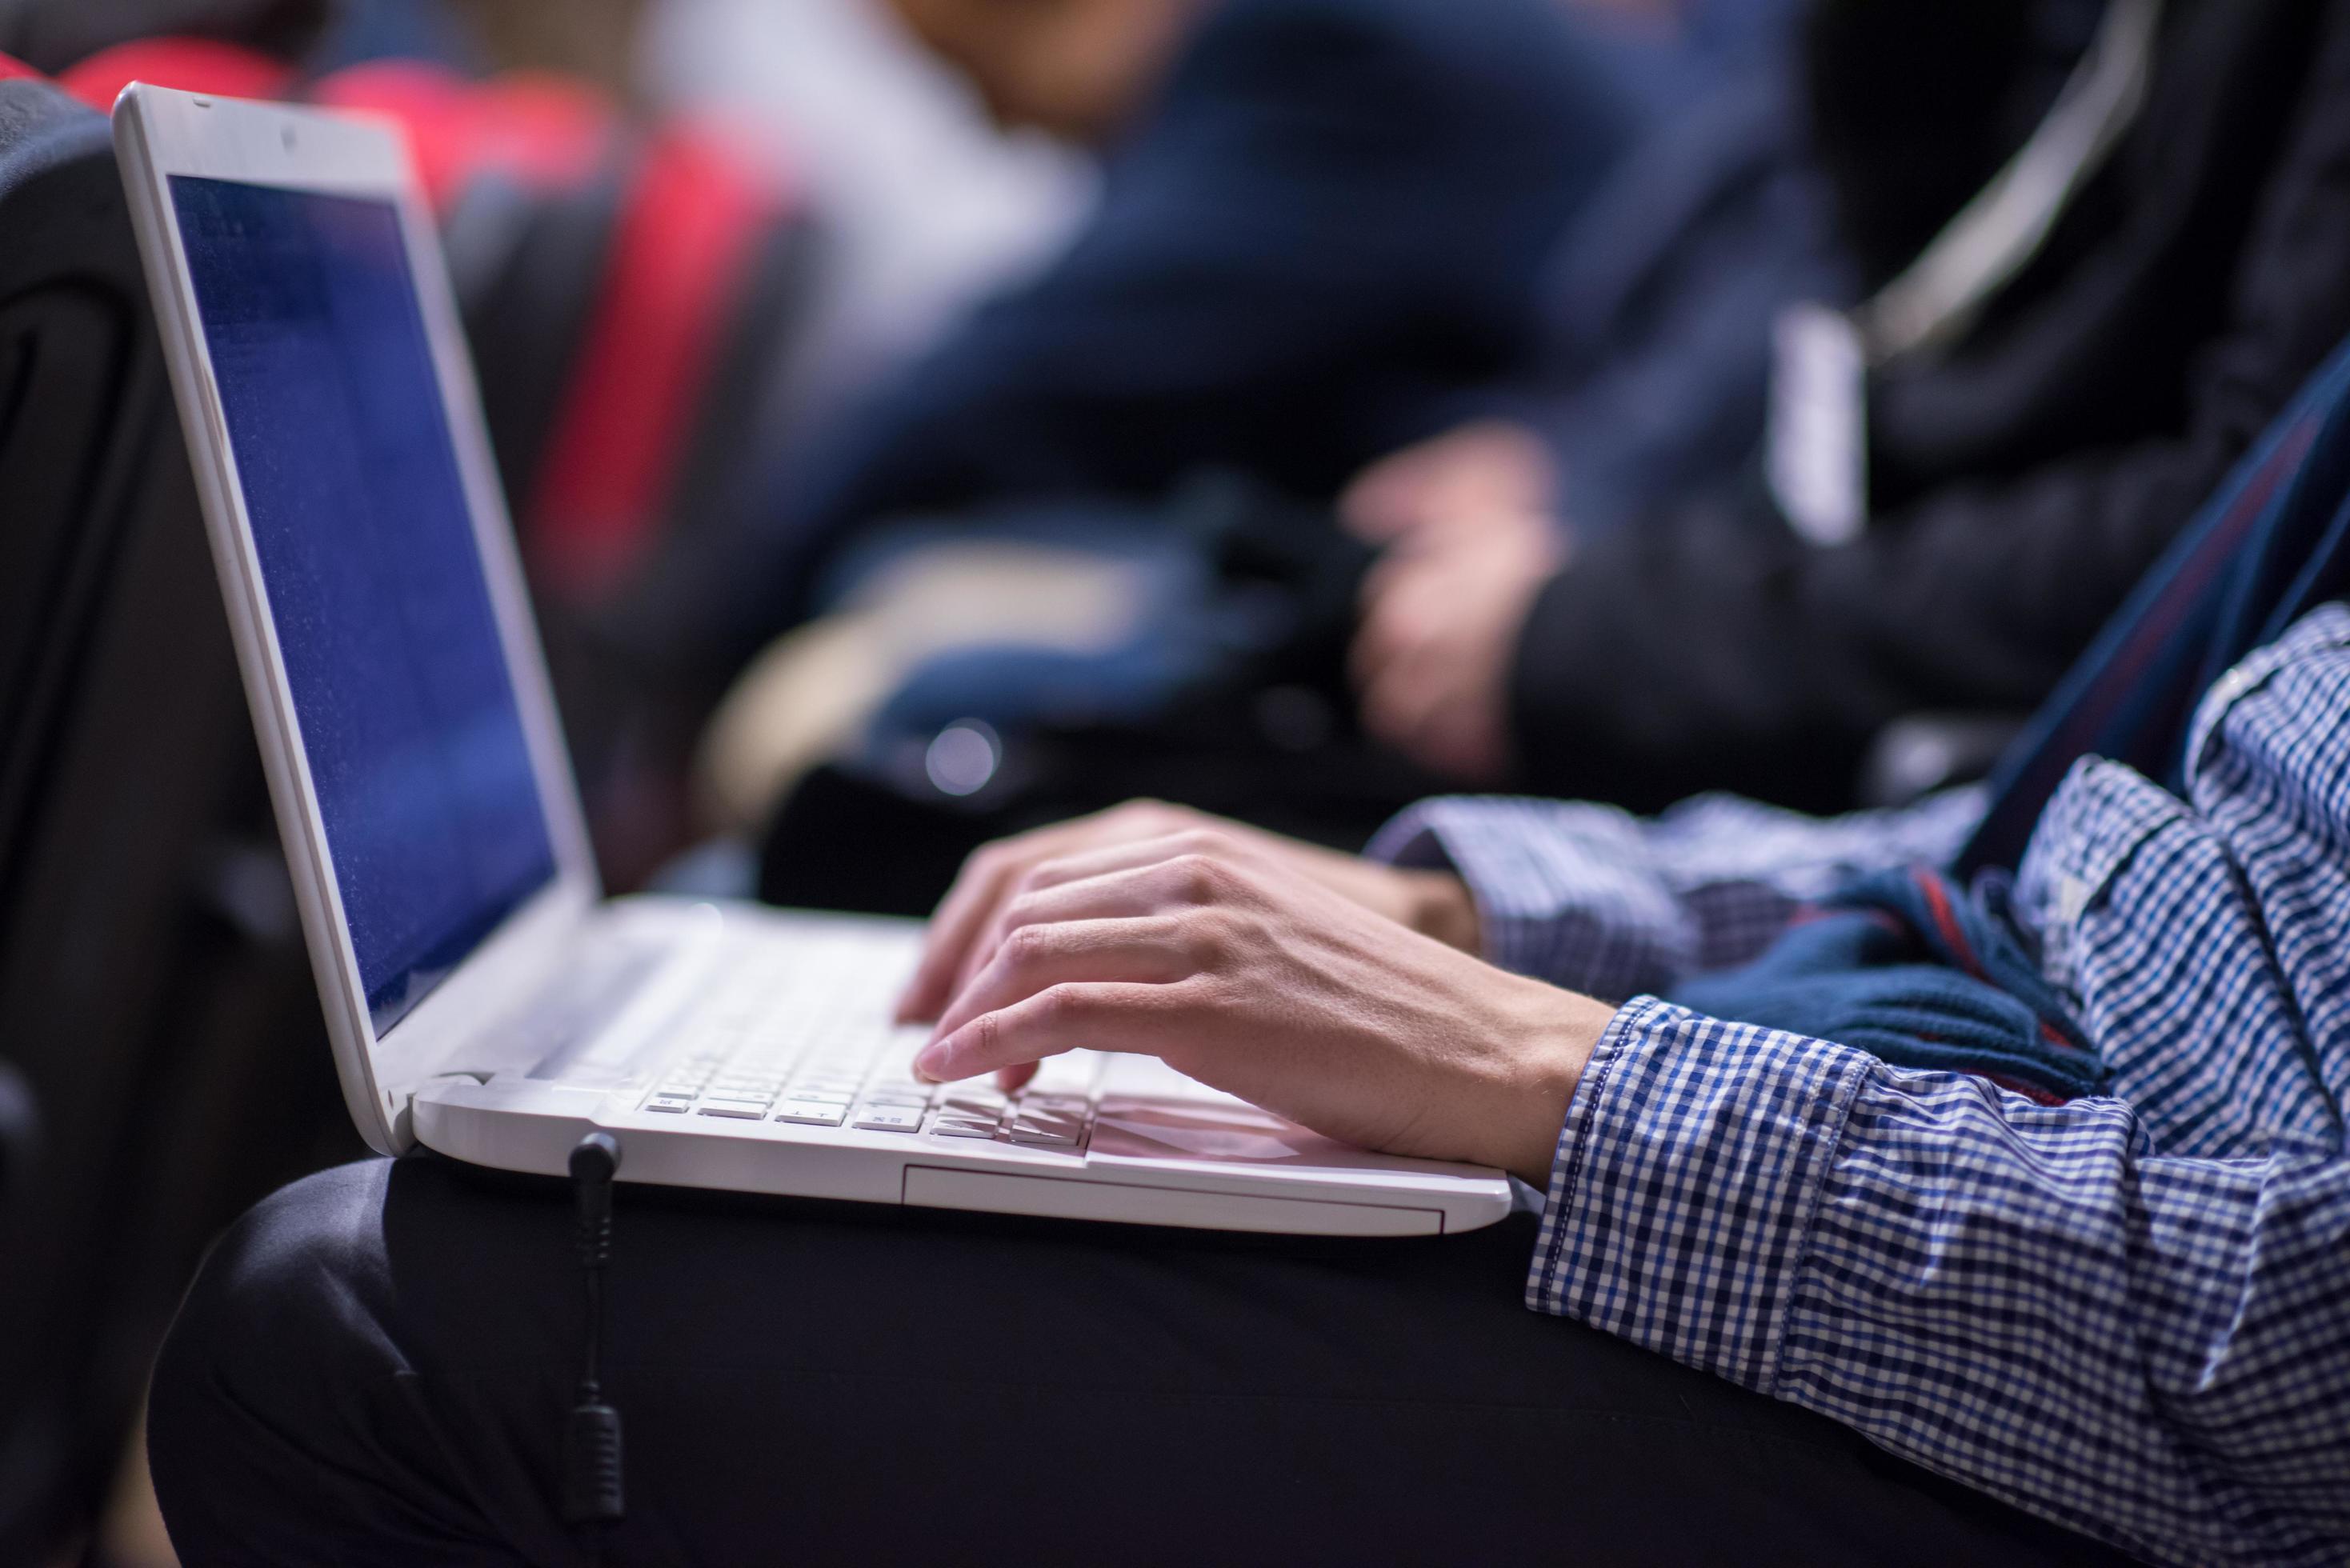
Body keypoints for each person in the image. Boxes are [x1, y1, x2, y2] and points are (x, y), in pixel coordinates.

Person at [146, 579, 2350, 1561]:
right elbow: (2059, 831)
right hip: (1950, 1096)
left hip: (2081, 1377)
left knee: (357, 1324)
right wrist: (1477, 918)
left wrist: (1568, 1076)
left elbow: (2307, 1363)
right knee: (738, 978)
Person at [1347, 0, 2350, 810]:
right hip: (1912, 720)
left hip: (2091, 818)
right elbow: (1932, 354)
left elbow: (2242, 537)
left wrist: (1604, 634)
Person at [627, 0, 1639, 684]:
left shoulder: (1312, 61)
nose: (1003, 124)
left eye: (977, 71)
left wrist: (695, 661)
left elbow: (1009, 384)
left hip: (1585, 566)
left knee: (913, 624)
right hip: (1581, 514)